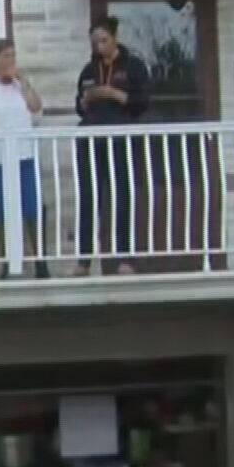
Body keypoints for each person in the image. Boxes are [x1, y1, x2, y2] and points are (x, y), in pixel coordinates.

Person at [73, 17, 152, 276]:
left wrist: (114, 94)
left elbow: (142, 102)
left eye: (104, 40)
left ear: (115, 38)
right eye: (95, 42)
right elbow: (78, 105)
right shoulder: (88, 70)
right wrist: (86, 100)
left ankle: (124, 258)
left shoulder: (134, 66)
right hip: (91, 139)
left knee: (122, 197)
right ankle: (83, 261)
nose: (99, 47)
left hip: (121, 140)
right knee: (88, 198)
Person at [0, 38, 49, 279]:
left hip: (25, 155)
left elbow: (36, 107)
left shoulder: (18, 85)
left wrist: (24, 82)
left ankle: (40, 261)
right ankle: (8, 262)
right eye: (6, 56)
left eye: (13, 56)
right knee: (3, 211)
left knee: (33, 208)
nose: (11, 61)